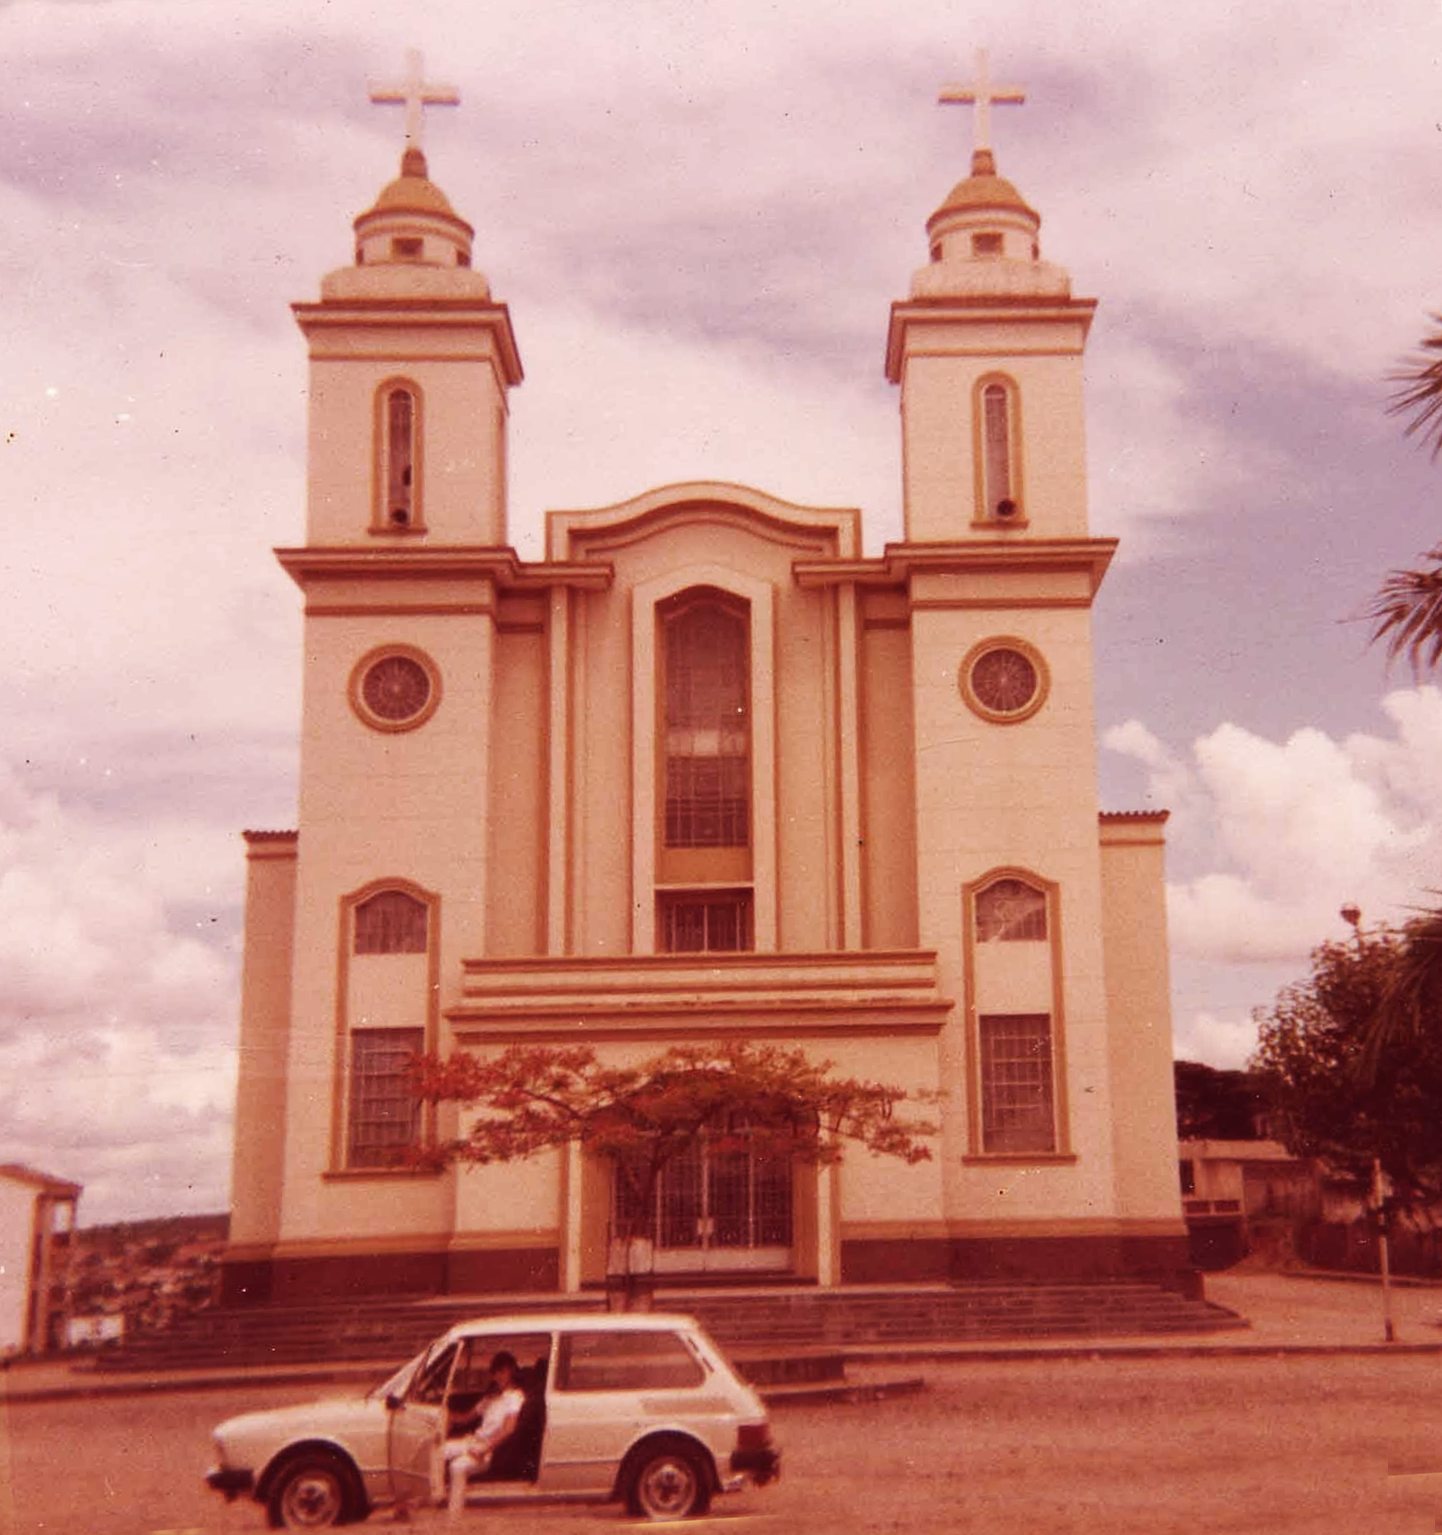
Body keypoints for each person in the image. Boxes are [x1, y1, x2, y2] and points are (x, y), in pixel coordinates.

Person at [445, 1351, 525, 1517]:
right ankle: (426, 1501)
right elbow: (466, 1418)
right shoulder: (491, 1397)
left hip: (489, 1449)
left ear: (512, 1372)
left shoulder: (515, 1397)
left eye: (503, 1371)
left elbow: (509, 1429)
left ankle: (454, 1517)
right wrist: (444, 1415)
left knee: (457, 1467)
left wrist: (486, 1448)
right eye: (496, 1372)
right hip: (472, 1441)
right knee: (436, 1452)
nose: (499, 1376)